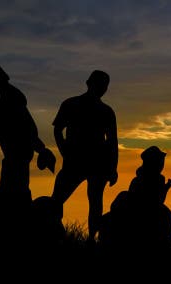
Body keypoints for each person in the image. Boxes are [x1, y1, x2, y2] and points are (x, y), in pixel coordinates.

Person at [51, 70, 118, 242]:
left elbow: (112, 141)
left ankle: (91, 239)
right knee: (57, 199)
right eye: (100, 85)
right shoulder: (71, 104)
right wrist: (64, 151)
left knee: (95, 202)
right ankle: (54, 232)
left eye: (105, 86)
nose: (103, 88)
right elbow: (57, 130)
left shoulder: (106, 111)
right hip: (75, 161)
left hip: (97, 163)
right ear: (89, 84)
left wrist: (112, 168)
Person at [0, 64, 55, 215]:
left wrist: (39, 147)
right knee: (14, 192)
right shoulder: (8, 96)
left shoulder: (11, 97)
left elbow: (26, 125)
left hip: (17, 154)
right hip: (14, 154)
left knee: (15, 194)